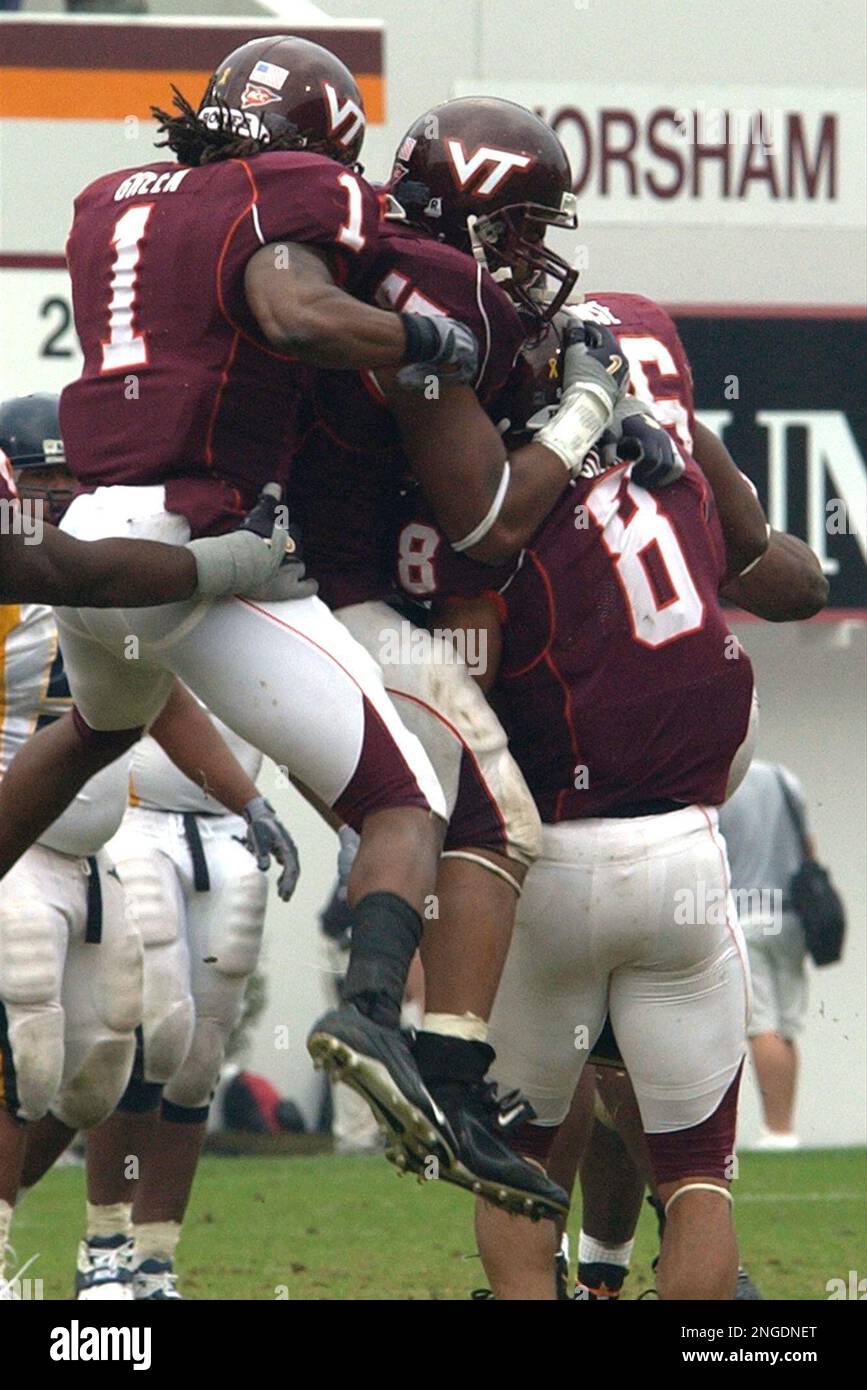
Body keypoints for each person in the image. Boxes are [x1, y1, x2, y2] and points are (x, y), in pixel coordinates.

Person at [0, 35, 482, 1177]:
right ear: (321, 140)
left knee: (97, 728)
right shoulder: (291, 190)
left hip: (99, 524)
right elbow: (293, 313)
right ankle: (368, 1011)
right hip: (203, 537)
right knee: (403, 799)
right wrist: (423, 336)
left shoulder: (111, 193)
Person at [719, 760, 818, 1149]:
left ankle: (776, 1132)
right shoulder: (784, 778)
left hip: (747, 915)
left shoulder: (721, 786)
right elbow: (808, 847)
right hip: (790, 916)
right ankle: (785, 1127)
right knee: (787, 1024)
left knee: (762, 1024)